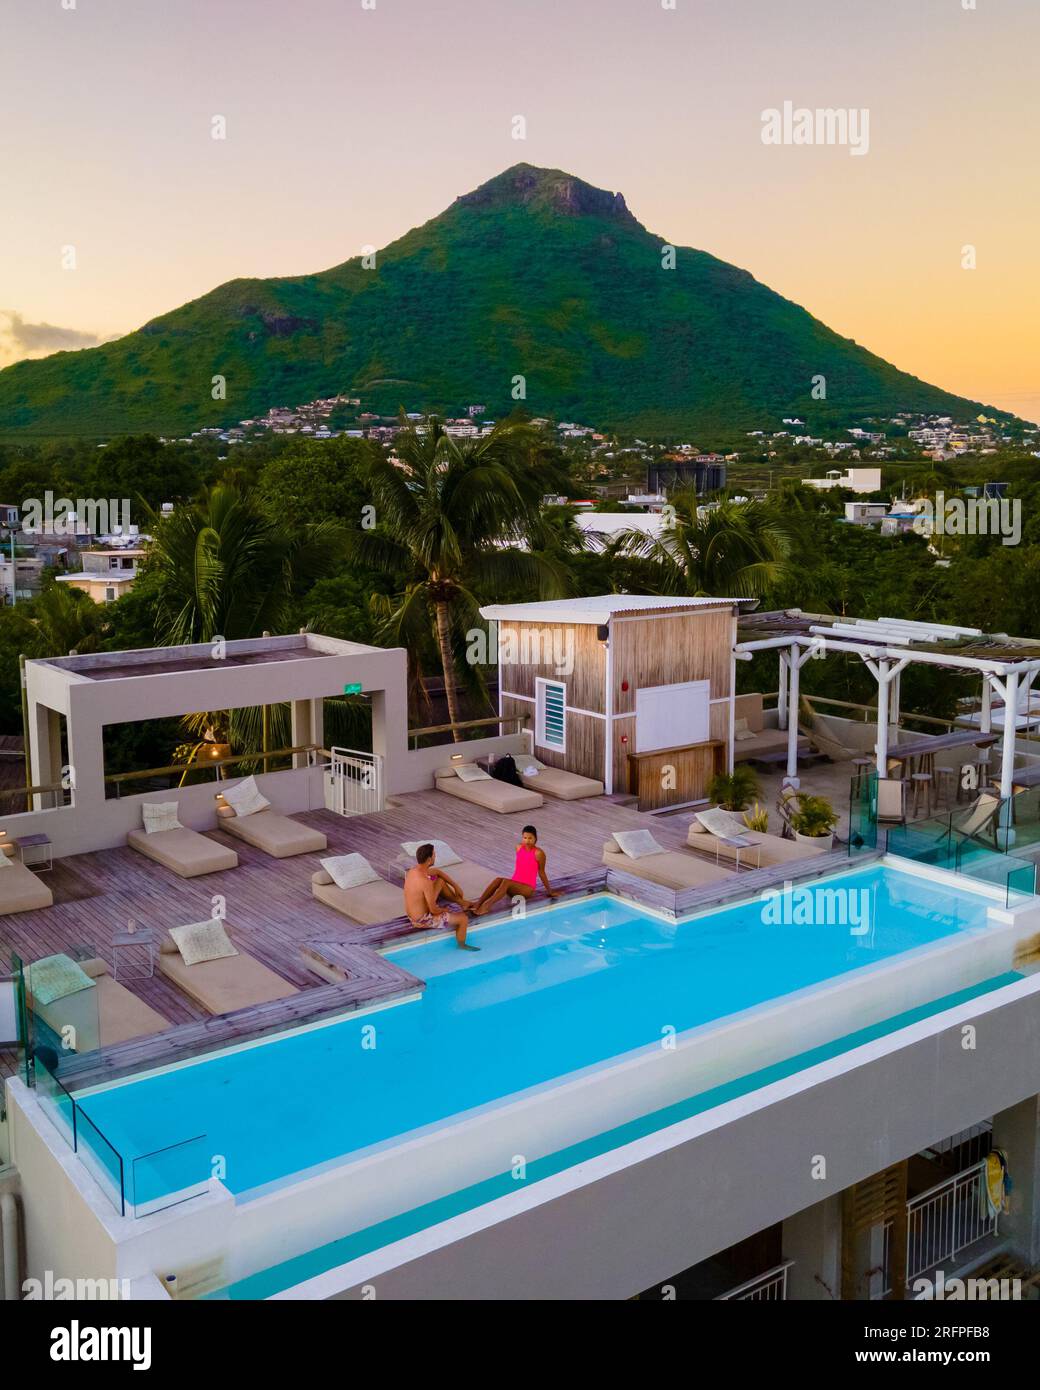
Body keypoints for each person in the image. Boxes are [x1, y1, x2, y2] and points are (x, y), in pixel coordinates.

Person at [472, 825, 560, 916]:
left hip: (527, 889)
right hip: (514, 887)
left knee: (506, 882)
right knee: (498, 879)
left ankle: (486, 906)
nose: (527, 840)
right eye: (525, 838)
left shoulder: (539, 853)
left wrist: (550, 891)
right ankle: (478, 904)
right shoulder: (518, 848)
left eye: (530, 838)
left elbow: (541, 873)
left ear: (535, 839)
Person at [403, 843, 478, 950]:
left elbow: (437, 872)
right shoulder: (425, 882)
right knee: (463, 919)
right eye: (434, 855)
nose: (435, 857)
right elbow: (433, 910)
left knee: (440, 881)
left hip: (412, 914)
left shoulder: (412, 871)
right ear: (429, 859)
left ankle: (461, 902)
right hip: (421, 920)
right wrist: (445, 910)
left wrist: (455, 885)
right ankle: (462, 945)